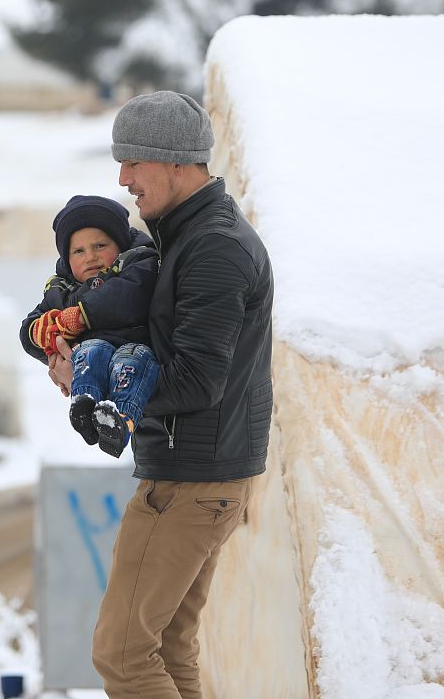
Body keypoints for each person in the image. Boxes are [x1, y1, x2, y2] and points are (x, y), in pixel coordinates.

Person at [49, 91, 274, 699]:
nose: (122, 180)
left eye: (133, 162)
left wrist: (98, 389)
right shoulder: (181, 238)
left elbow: (198, 378)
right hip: (196, 472)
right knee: (167, 648)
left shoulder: (213, 247)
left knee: (122, 655)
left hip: (191, 480)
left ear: (177, 162)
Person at [20, 195, 159, 457]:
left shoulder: (138, 263)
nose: (90, 257)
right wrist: (42, 333)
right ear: (66, 258)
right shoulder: (61, 286)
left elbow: (125, 295)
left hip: (133, 348)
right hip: (92, 353)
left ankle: (121, 422)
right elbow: (30, 326)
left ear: (120, 243)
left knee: (130, 366)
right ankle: (85, 406)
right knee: (90, 353)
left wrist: (80, 316)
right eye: (78, 251)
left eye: (100, 245)